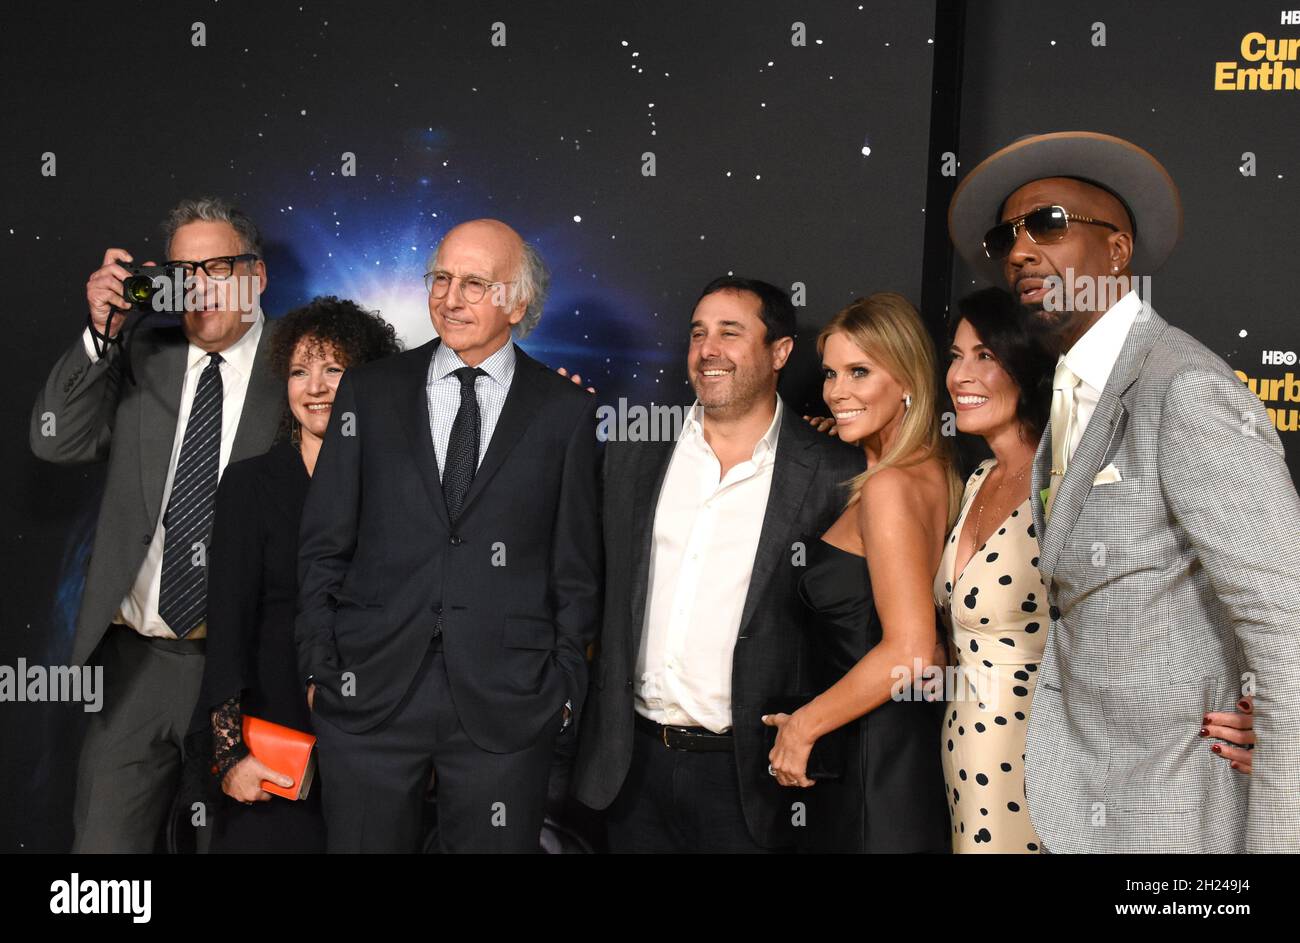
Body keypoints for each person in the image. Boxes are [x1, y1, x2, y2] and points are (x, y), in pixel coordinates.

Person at [948, 131, 1300, 852]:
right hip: (1076, 802)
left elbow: (1285, 609)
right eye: (1005, 235)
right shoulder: (1073, 398)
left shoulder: (1186, 387)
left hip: (1173, 813)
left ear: (1117, 253)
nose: (1018, 252)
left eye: (1047, 224)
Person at [295, 218, 601, 853]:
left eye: (474, 283)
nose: (450, 296)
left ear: (518, 302)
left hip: (508, 703)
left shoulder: (565, 413)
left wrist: (562, 690)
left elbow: (575, 569)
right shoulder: (369, 392)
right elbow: (325, 542)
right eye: (440, 278)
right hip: (368, 691)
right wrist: (320, 664)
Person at [571, 277, 865, 852]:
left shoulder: (834, 471)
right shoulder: (633, 451)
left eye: (731, 333)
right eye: (698, 333)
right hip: (631, 767)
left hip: (754, 778)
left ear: (780, 352)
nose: (709, 349)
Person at [30, 197, 281, 852]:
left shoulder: (300, 367)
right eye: (182, 271)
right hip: (135, 664)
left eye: (218, 266)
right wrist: (101, 332)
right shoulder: (143, 351)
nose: (199, 286)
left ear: (256, 276)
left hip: (244, 671)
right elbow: (55, 442)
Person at [193, 297, 401, 852]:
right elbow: (228, 627)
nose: (316, 387)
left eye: (335, 369)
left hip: (375, 740)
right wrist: (229, 753)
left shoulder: (403, 490)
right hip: (274, 736)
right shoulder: (249, 485)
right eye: (299, 371)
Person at [765, 292, 955, 853]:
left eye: (859, 372)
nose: (837, 391)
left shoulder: (891, 489)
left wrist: (803, 726)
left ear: (909, 381)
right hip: (896, 753)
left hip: (874, 762)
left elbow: (912, 651)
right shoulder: (934, 471)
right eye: (830, 374)